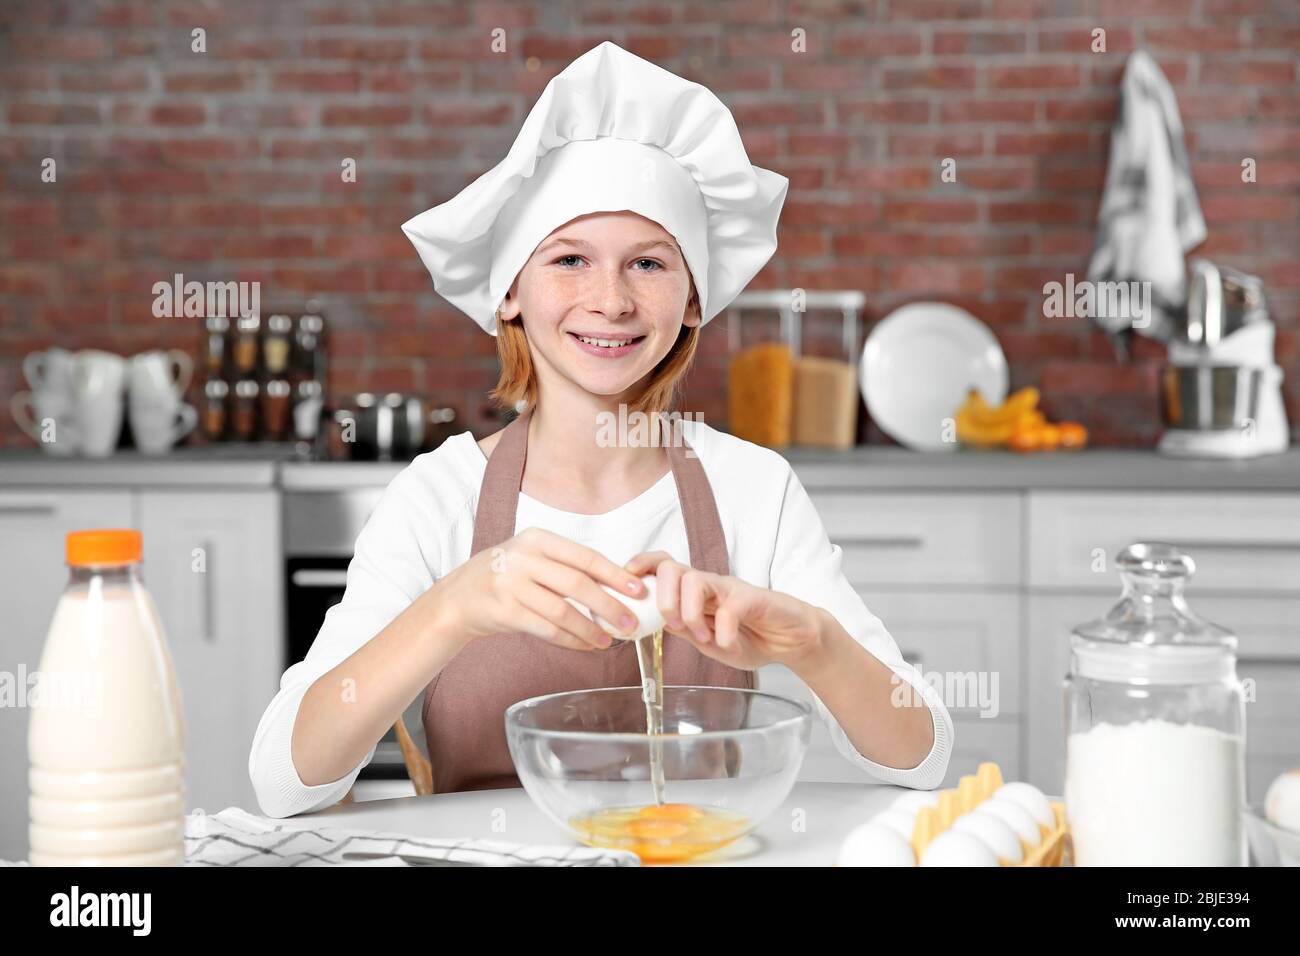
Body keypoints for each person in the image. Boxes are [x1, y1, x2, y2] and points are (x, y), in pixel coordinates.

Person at [249, 41, 952, 818]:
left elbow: (922, 757)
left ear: (694, 297)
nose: (611, 301)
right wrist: (454, 608)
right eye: (571, 260)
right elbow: (283, 781)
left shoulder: (752, 488)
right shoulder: (437, 497)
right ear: (510, 292)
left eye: (648, 264)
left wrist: (812, 644)